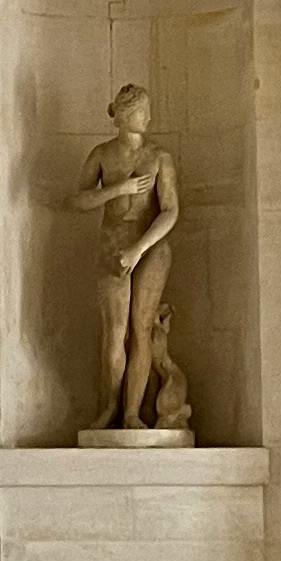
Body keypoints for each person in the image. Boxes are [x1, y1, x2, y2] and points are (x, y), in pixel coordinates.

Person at [72, 81, 185, 431]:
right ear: (122, 116)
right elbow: (77, 200)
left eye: (147, 111)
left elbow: (170, 211)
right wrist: (117, 189)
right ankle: (110, 407)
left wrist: (139, 248)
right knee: (114, 332)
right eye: (140, 111)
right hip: (113, 245)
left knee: (140, 328)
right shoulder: (103, 154)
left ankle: (133, 412)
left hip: (150, 248)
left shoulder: (158, 157)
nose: (147, 118)